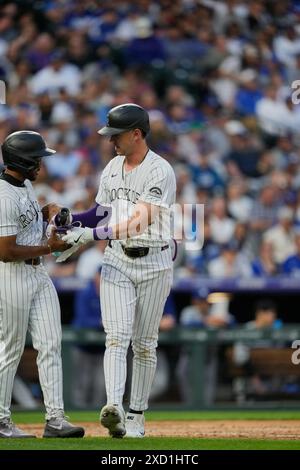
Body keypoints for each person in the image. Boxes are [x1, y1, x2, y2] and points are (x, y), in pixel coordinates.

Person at [62, 103, 176, 438]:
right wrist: (70, 221)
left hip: (155, 260)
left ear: (137, 134)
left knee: (144, 344)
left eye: (117, 134)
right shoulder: (112, 167)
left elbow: (140, 220)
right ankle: (114, 407)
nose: (111, 140)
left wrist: (92, 234)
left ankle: (137, 418)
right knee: (115, 337)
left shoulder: (160, 170)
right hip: (117, 259)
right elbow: (100, 213)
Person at [0, 130, 85, 438]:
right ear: (22, 160)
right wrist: (50, 248)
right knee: (10, 349)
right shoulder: (2, 194)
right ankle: (1, 419)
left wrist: (45, 210)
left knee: (50, 344)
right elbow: (5, 251)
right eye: (37, 158)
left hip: (38, 275)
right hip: (11, 276)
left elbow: (25, 221)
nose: (41, 164)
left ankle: (55, 419)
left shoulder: (24, 184)